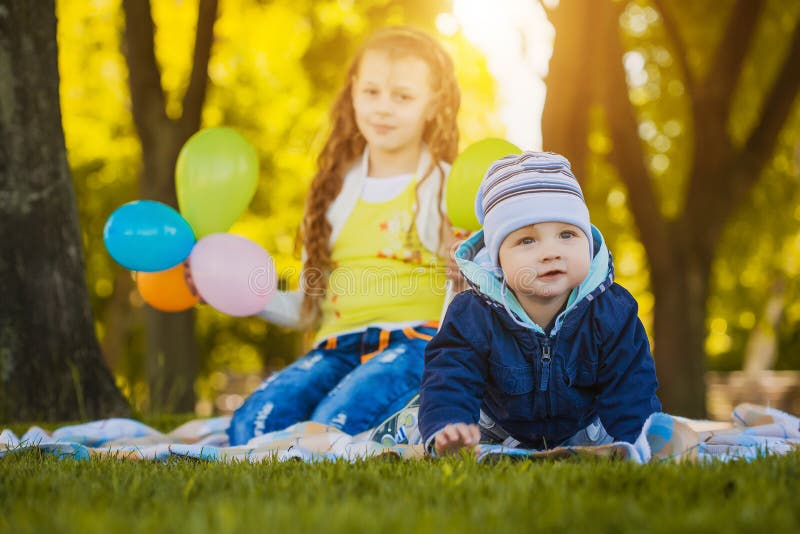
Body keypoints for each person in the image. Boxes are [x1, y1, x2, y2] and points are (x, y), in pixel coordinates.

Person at [222, 27, 462, 446]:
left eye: (403, 97)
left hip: (415, 344)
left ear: (433, 104)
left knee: (331, 425)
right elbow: (309, 305)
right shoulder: (333, 191)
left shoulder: (444, 187)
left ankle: (417, 418)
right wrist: (232, 291)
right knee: (250, 427)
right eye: (371, 92)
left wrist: (465, 269)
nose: (383, 108)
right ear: (352, 93)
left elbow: (469, 295)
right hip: (337, 348)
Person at [418, 151, 662, 456]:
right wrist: (449, 425)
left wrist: (641, 443)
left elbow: (631, 386)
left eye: (567, 234)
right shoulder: (474, 313)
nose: (551, 253)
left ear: (588, 242)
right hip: (497, 428)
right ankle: (446, 435)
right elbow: (451, 374)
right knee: (443, 421)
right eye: (527, 241)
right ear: (498, 259)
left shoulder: (612, 310)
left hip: (583, 429)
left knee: (623, 431)